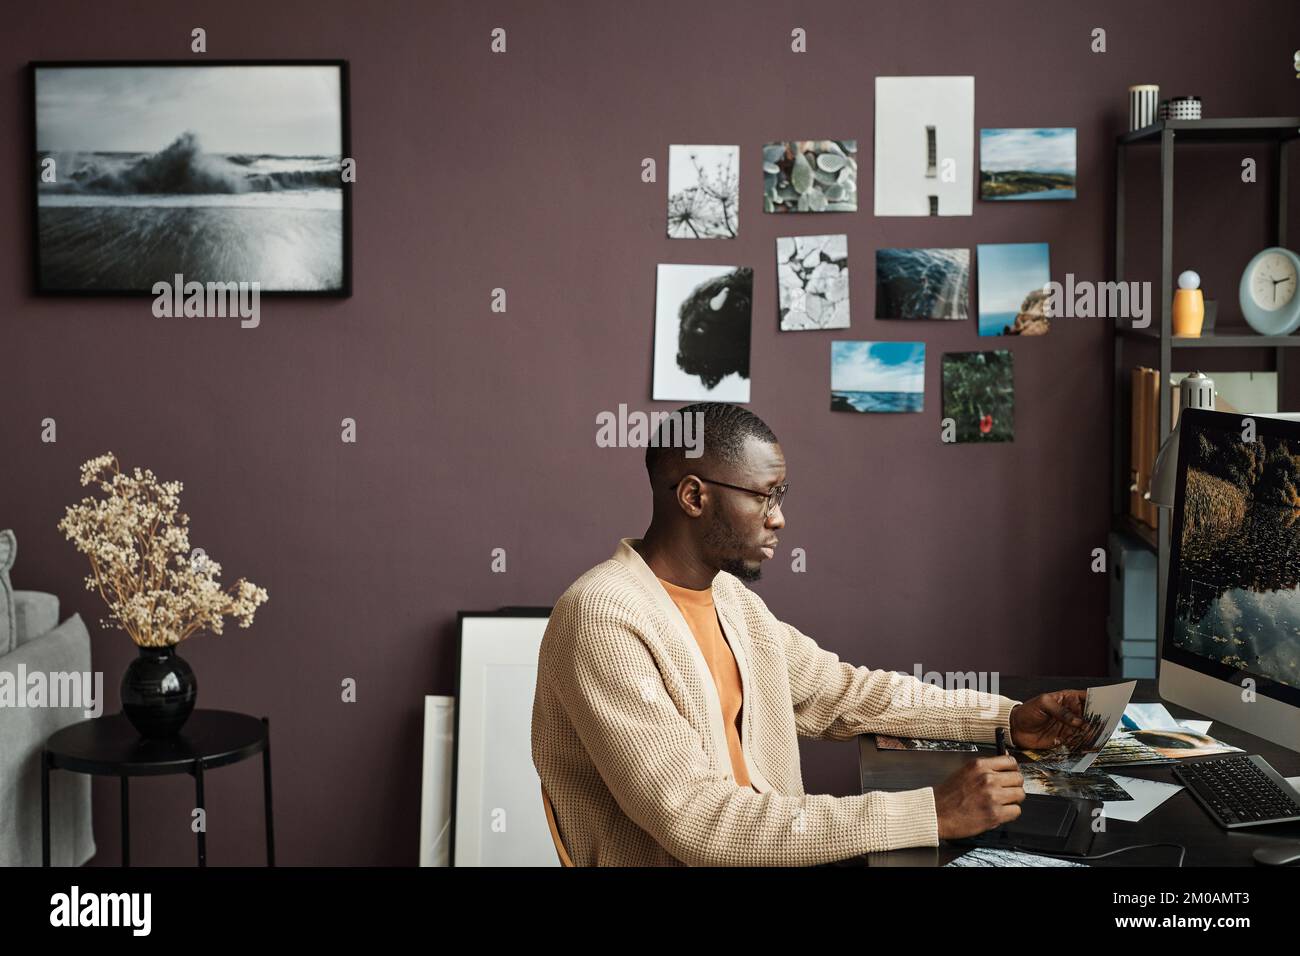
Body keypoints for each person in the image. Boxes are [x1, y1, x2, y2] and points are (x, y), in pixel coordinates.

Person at [532, 402, 1091, 866]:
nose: (779, 518)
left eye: (782, 495)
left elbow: (843, 693)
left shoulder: (730, 601)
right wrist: (928, 812)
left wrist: (1004, 720)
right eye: (764, 495)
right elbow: (697, 822)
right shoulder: (603, 618)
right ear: (695, 497)